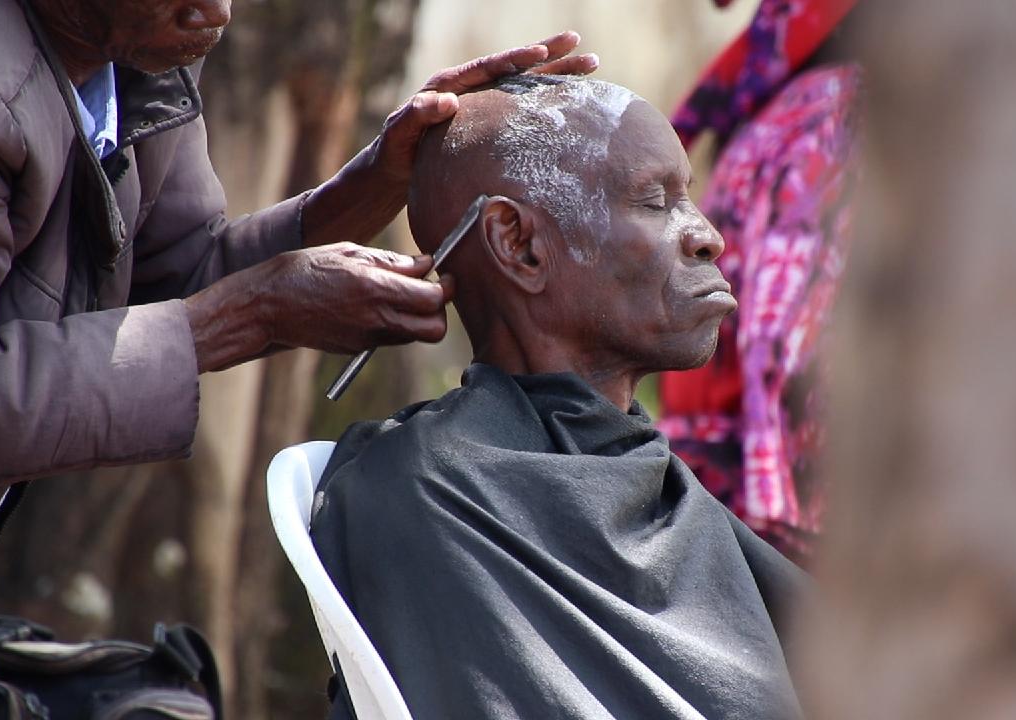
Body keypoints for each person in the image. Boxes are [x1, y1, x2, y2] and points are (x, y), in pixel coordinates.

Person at [0, 0, 596, 594]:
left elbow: (176, 274)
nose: (217, 11)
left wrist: (383, 176)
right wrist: (256, 312)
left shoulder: (134, 51)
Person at [311, 75, 807, 720]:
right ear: (517, 244)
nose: (706, 234)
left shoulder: (645, 478)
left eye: (688, 197)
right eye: (656, 203)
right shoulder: (425, 492)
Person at [657, 0, 862, 565]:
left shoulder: (809, 109)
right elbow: (787, 351)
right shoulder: (834, 115)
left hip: (735, 506)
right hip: (772, 521)